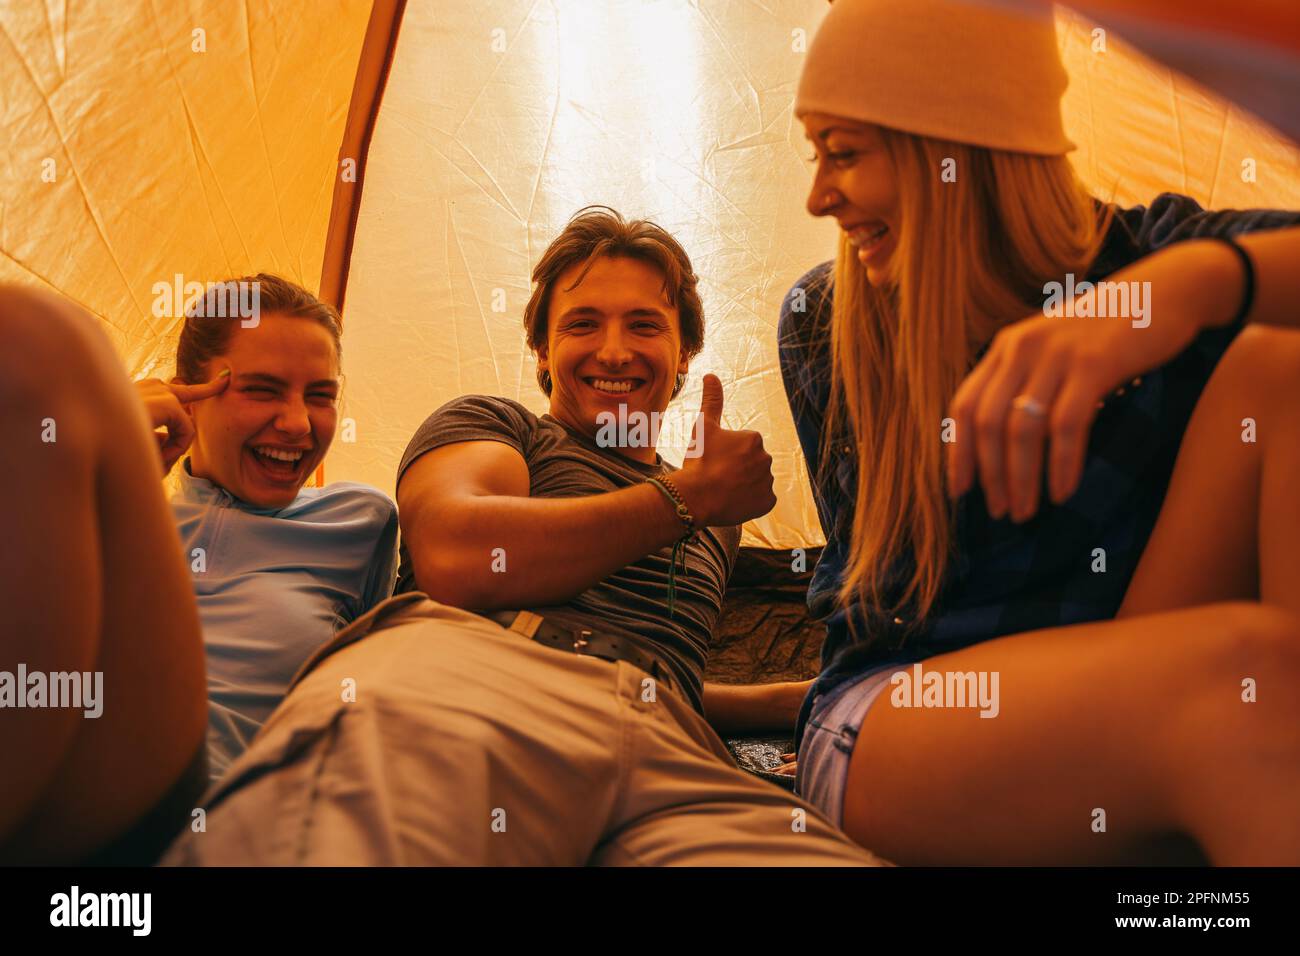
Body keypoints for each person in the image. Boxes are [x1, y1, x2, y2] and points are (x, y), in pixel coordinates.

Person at [162, 208, 882, 866]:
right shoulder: (500, 428)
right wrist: (682, 500)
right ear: (540, 351)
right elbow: (458, 556)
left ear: (686, 352)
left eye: (644, 325)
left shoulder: (718, 516)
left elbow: (641, 657)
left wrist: (791, 700)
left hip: (666, 737)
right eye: (580, 325)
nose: (614, 349)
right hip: (476, 689)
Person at [778, 0, 1300, 866]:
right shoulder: (830, 320)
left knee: (1282, 360)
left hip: (1124, 666)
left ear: (953, 148)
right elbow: (874, 601)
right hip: (905, 711)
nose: (818, 195)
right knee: (1243, 686)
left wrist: (1190, 289)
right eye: (816, 153)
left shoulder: (1143, 257)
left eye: (844, 153)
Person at [0, 274, 397, 864]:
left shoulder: (359, 522)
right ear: (188, 393)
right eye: (262, 390)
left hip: (185, 807)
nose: (297, 423)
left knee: (32, 337)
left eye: (320, 395)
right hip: (43, 763)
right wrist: (120, 452)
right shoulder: (114, 516)